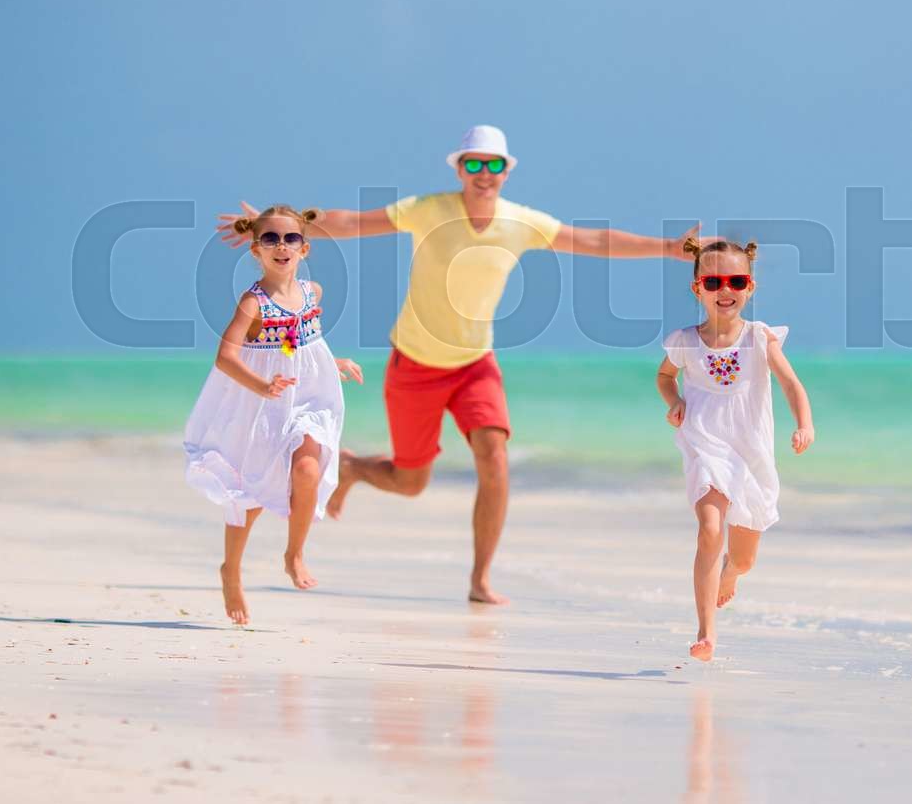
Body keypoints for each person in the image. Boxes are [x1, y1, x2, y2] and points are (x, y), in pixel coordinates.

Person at [216, 124, 706, 605]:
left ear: (506, 172)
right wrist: (276, 228)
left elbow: (595, 242)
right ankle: (356, 470)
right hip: (414, 363)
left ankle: (480, 579)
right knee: (411, 483)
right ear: (460, 169)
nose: (484, 173)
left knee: (494, 458)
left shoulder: (521, 222)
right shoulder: (429, 210)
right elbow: (354, 221)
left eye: (494, 164)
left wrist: (667, 248)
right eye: (474, 163)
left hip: (475, 365)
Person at [184, 205, 365, 625]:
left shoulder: (311, 291)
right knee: (250, 492)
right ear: (255, 250)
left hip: (307, 394)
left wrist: (330, 362)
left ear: (305, 248)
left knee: (307, 466)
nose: (280, 246)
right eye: (270, 239)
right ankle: (231, 570)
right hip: (260, 400)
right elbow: (225, 357)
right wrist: (263, 386)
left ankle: (294, 552)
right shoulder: (253, 303)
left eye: (289, 239)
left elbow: (296, 342)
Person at [657, 237, 815, 662]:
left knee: (744, 559)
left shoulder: (761, 339)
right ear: (698, 290)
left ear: (750, 288)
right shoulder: (685, 341)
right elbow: (664, 377)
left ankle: (731, 572)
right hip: (705, 443)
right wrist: (674, 402)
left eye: (735, 280)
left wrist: (804, 424)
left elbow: (790, 384)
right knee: (710, 530)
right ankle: (706, 632)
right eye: (713, 282)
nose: (724, 289)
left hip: (751, 453)